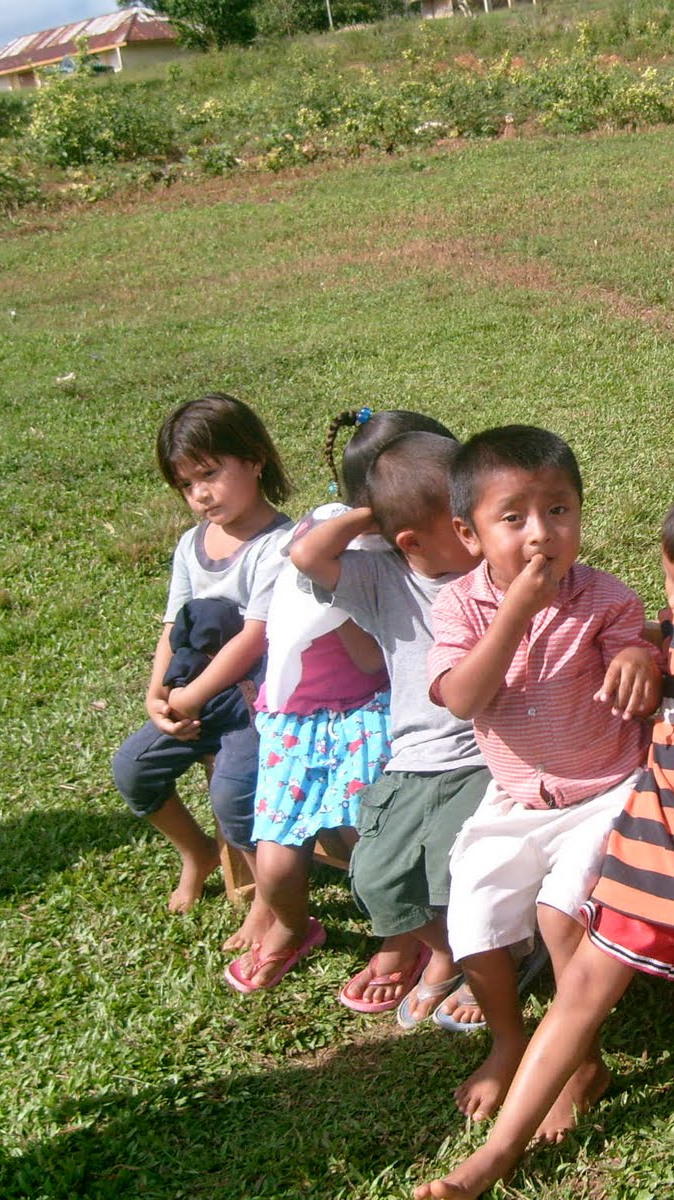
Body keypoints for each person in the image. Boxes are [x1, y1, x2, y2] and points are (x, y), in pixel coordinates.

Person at [414, 465, 674, 1200]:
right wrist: (639, 650)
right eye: (671, 589)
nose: (673, 609)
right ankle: (496, 1155)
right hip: (657, 837)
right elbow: (634, 641)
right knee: (580, 990)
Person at [426, 425, 661, 1126]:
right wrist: (515, 616)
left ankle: (581, 1058)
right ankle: (508, 1039)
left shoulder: (605, 597)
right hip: (515, 798)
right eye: (514, 517)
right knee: (471, 923)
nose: (540, 533)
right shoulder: (458, 607)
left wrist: (639, 661)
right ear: (469, 535)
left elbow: (636, 647)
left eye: (558, 511)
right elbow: (463, 697)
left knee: (562, 914)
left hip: (607, 790)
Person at [289, 421, 496, 1024]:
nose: (475, 531)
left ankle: (492, 965)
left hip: (484, 755)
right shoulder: (383, 580)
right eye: (460, 523)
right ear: (409, 539)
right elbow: (305, 554)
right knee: (377, 881)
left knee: (454, 873)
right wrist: (371, 515)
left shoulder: (492, 575)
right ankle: (449, 951)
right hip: (412, 759)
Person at [223, 407, 404, 992]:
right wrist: (346, 596)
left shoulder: (407, 551)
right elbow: (370, 655)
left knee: (363, 835)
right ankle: (293, 926)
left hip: (366, 711)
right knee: (274, 864)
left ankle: (402, 936)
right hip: (300, 718)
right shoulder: (325, 538)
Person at [111, 393, 292, 937]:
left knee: (235, 796)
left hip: (257, 702)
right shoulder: (192, 545)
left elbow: (255, 639)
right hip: (196, 694)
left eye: (210, 474)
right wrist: (158, 695)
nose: (200, 494)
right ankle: (197, 853)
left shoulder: (280, 545)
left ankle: (270, 898)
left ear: (255, 458)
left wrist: (189, 698)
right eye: (186, 485)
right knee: (134, 769)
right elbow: (174, 624)